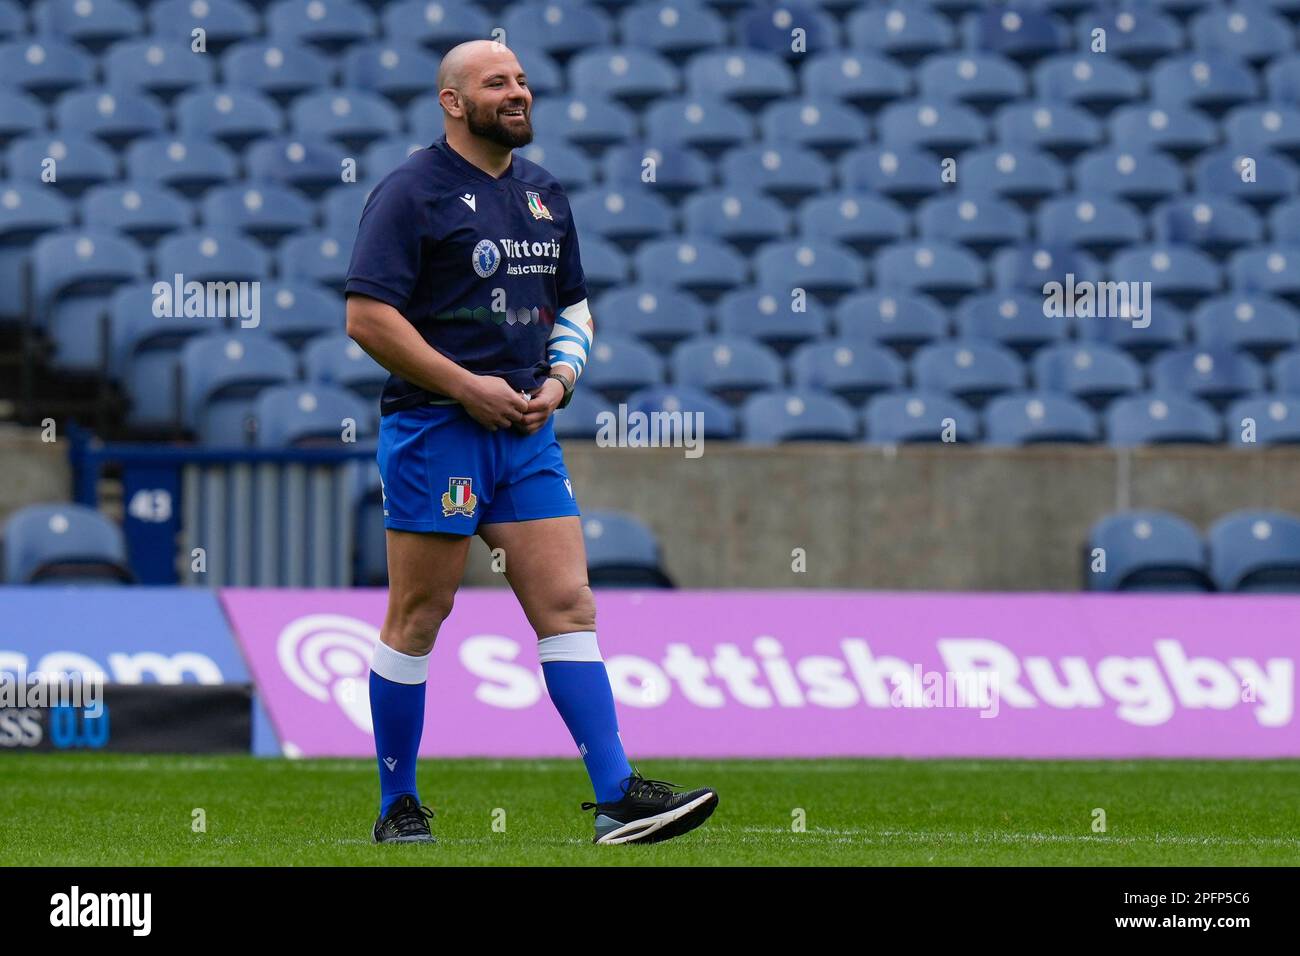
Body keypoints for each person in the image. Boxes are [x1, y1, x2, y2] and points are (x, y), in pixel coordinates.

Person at [343, 40, 718, 846]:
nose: (519, 93)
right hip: (437, 429)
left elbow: (575, 309)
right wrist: (463, 385)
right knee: (420, 614)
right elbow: (367, 317)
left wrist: (558, 384)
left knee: (568, 606)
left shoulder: (545, 194)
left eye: (521, 81)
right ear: (453, 102)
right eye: (497, 84)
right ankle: (396, 806)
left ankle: (618, 794)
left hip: (525, 433)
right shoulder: (411, 191)